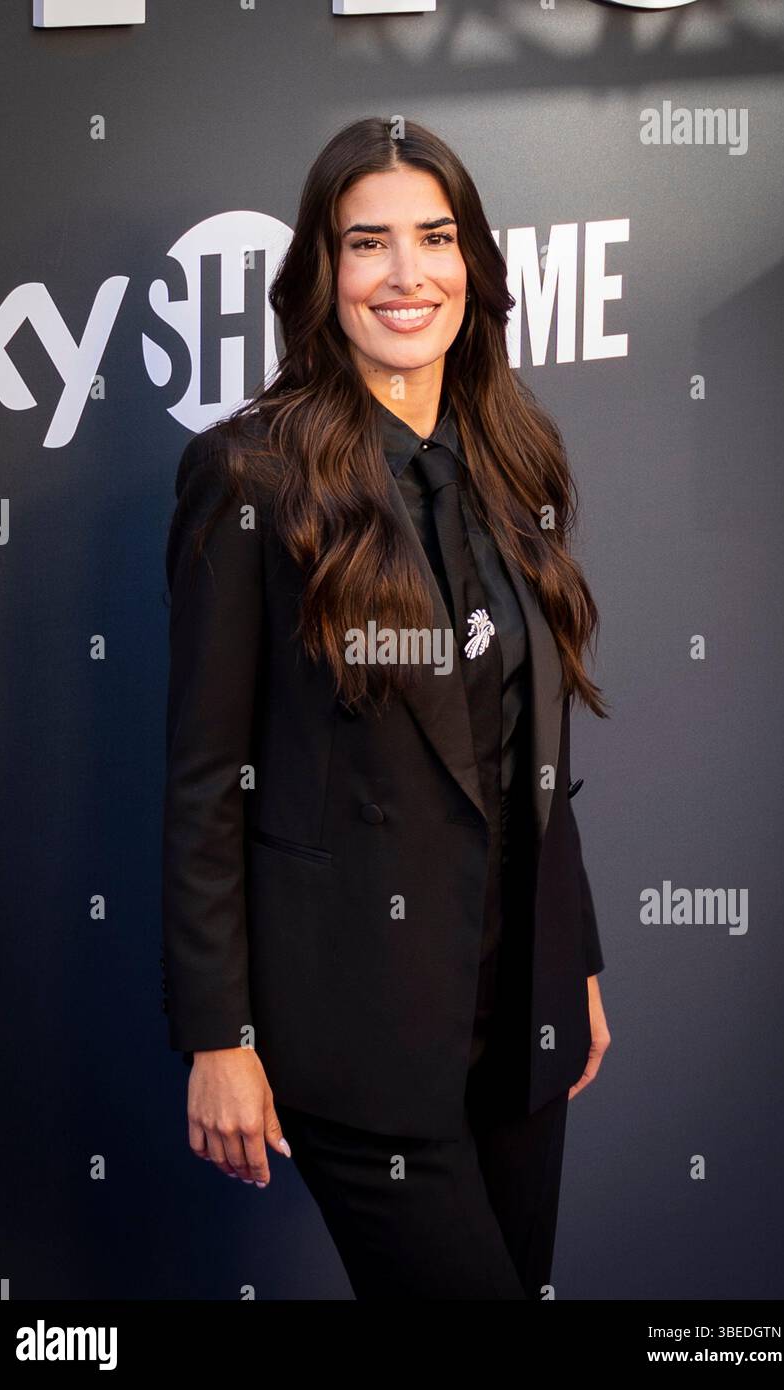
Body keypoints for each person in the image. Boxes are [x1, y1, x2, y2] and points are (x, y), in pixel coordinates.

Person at [161, 116, 612, 1300]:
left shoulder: (516, 454)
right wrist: (220, 1036)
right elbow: (206, 779)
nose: (407, 276)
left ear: (472, 263)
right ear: (322, 272)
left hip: (519, 1002)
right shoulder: (249, 474)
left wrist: (576, 958)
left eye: (435, 237)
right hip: (353, 1020)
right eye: (369, 244)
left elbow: (530, 745)